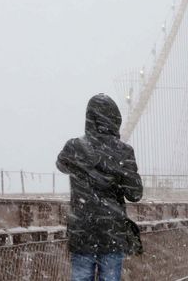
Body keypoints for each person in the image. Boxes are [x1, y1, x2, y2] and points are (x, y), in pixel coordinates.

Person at [57, 94, 144, 281]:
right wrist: (117, 172)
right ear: (116, 119)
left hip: (82, 232)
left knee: (80, 277)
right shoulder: (124, 151)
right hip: (111, 233)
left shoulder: (74, 147)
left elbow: (61, 164)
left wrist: (84, 165)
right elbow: (135, 194)